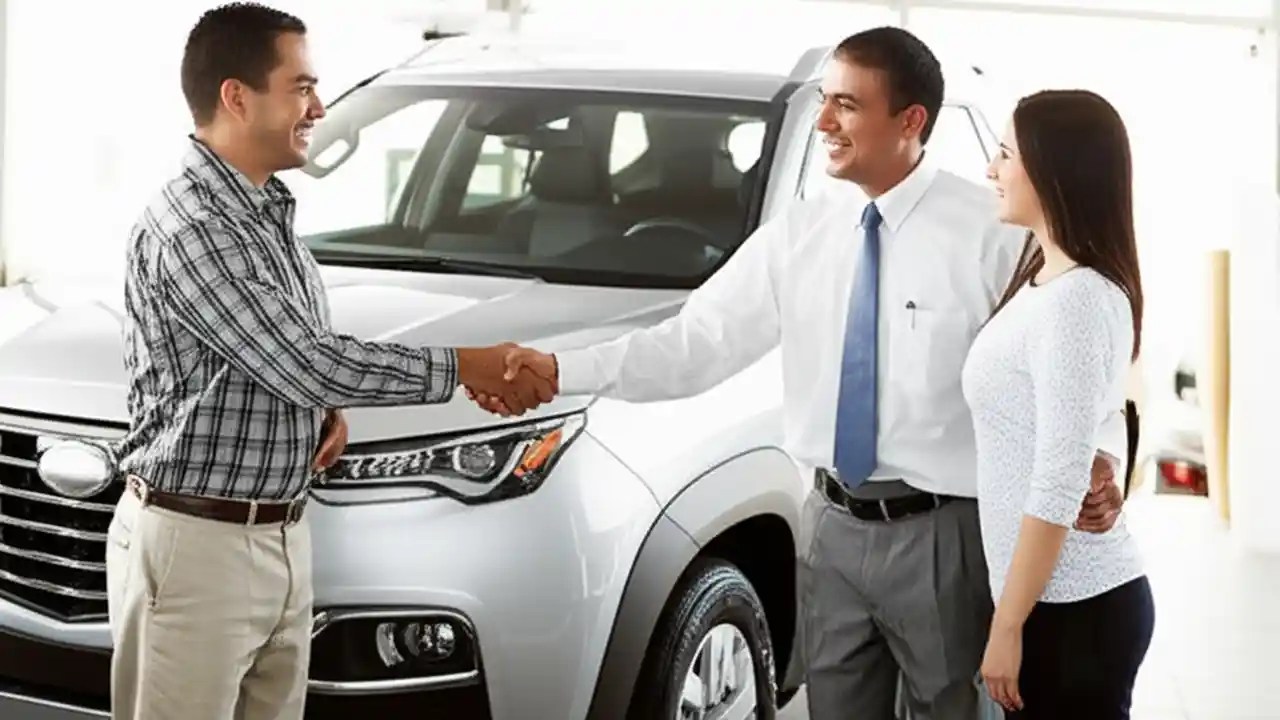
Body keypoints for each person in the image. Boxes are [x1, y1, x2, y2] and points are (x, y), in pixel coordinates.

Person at [469, 26, 1128, 720]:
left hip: (945, 535)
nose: (823, 123)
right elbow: (691, 345)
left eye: (846, 104)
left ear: (911, 122)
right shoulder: (799, 233)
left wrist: (1102, 454)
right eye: (823, 100)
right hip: (829, 530)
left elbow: (1075, 354)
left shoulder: (995, 235)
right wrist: (559, 368)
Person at [105, 5, 551, 719]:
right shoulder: (194, 226)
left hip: (280, 534)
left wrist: (319, 409)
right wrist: (469, 366)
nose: (318, 107)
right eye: (301, 87)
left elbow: (278, 358)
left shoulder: (264, 211)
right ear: (236, 96)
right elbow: (301, 359)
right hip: (199, 553)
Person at [963, 89, 1154, 719]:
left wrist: (1008, 625)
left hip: (1072, 611)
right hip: (1055, 605)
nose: (991, 170)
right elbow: (1082, 415)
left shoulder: (1076, 300)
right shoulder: (1046, 278)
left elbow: (1054, 479)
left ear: (1055, 169)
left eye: (1005, 154)